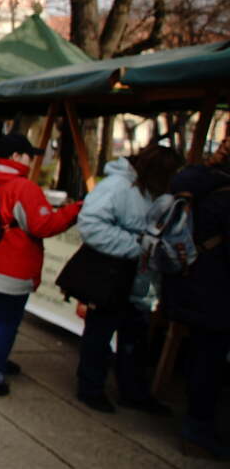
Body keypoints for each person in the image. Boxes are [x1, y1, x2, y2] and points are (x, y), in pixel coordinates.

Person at [0, 133, 82, 399]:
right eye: (29, 155)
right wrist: (75, 210)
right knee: (6, 320)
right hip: (11, 264)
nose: (32, 161)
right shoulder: (23, 187)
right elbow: (44, 226)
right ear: (16, 157)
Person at [74, 143, 183, 414]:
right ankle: (90, 388)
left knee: (135, 337)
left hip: (142, 279)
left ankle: (133, 390)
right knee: (99, 334)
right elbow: (91, 224)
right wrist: (137, 245)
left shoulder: (156, 192)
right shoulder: (117, 187)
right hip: (113, 275)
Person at [165, 155, 230, 458]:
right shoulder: (222, 197)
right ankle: (198, 428)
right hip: (215, 292)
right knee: (209, 361)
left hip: (190, 283)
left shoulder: (197, 188)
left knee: (202, 356)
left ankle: (196, 423)